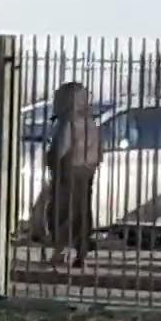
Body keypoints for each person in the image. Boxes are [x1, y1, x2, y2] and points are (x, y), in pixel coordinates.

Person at [46, 81, 103, 267]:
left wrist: (52, 160)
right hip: (86, 169)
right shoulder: (90, 121)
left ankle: (61, 250)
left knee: (62, 211)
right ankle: (81, 251)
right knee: (82, 210)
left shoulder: (68, 120)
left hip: (68, 169)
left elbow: (62, 146)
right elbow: (98, 149)